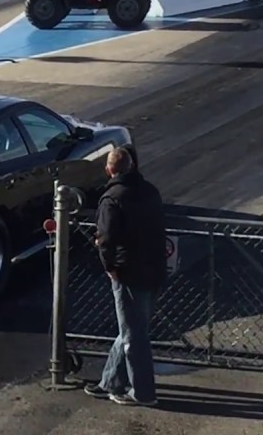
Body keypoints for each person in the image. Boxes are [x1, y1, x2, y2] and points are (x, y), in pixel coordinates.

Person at [82, 147, 166, 407]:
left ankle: (143, 392)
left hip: (129, 271)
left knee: (133, 335)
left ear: (109, 169)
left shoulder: (111, 199)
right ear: (131, 166)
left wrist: (109, 267)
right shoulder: (150, 191)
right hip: (155, 267)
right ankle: (110, 381)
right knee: (132, 328)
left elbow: (105, 238)